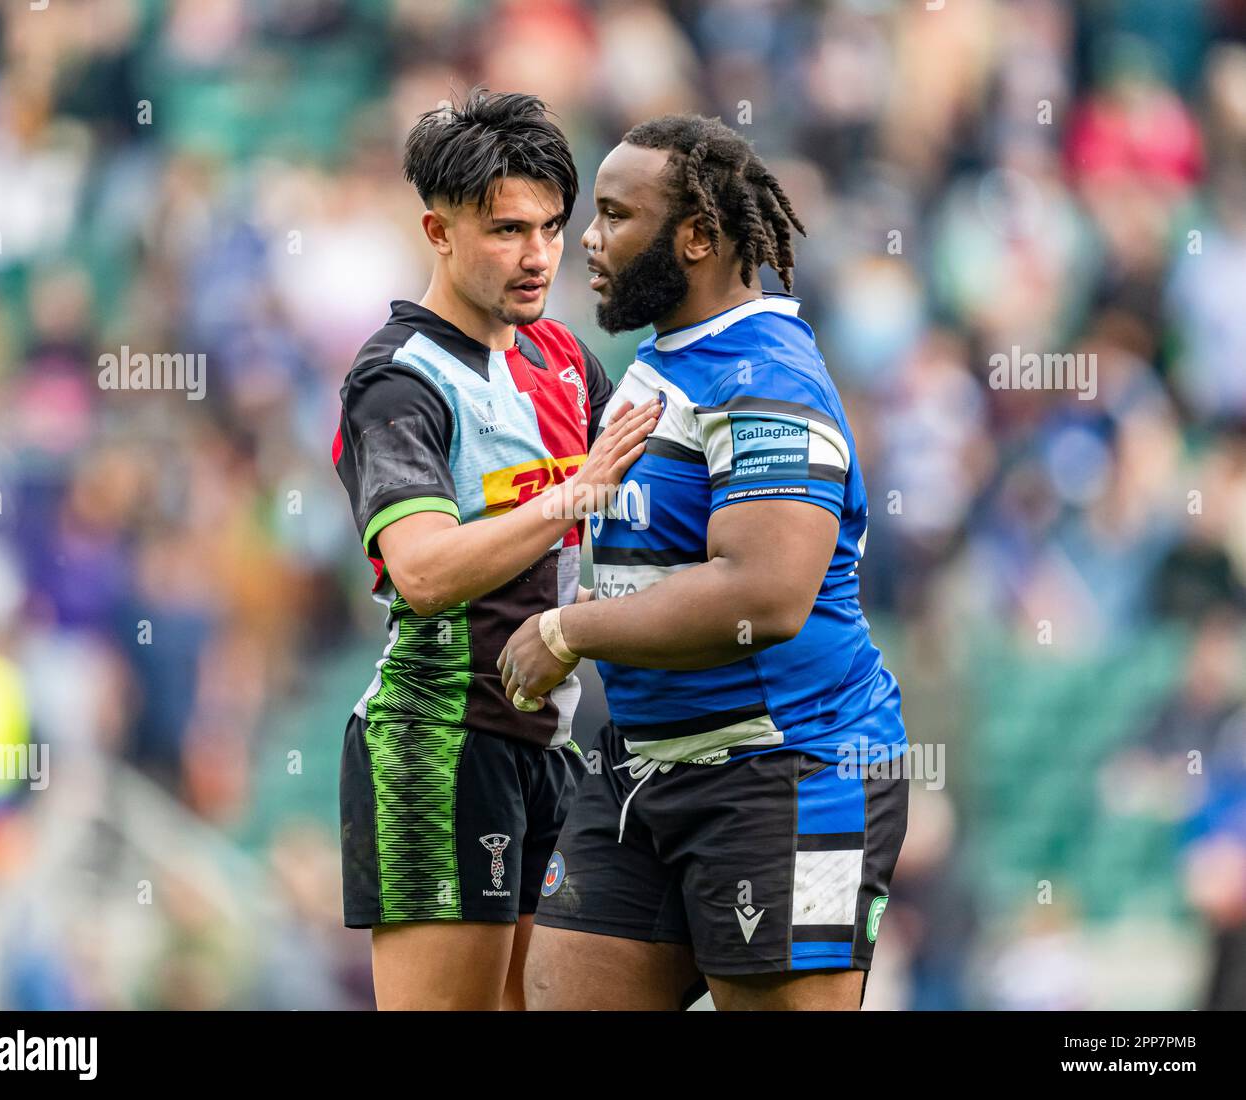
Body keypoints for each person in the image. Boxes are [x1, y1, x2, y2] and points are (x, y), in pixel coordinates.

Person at [497, 114, 908, 1010]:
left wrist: (568, 631)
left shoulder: (766, 377)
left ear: (698, 236)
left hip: (802, 778)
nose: (589, 242)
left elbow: (764, 596)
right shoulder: (655, 364)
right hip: (646, 768)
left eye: (613, 216)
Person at [333, 89, 659, 1010]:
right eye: (507, 231)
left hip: (549, 746)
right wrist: (575, 494)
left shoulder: (561, 358)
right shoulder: (397, 380)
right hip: (438, 738)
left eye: (554, 228)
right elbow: (424, 570)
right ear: (437, 231)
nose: (539, 256)